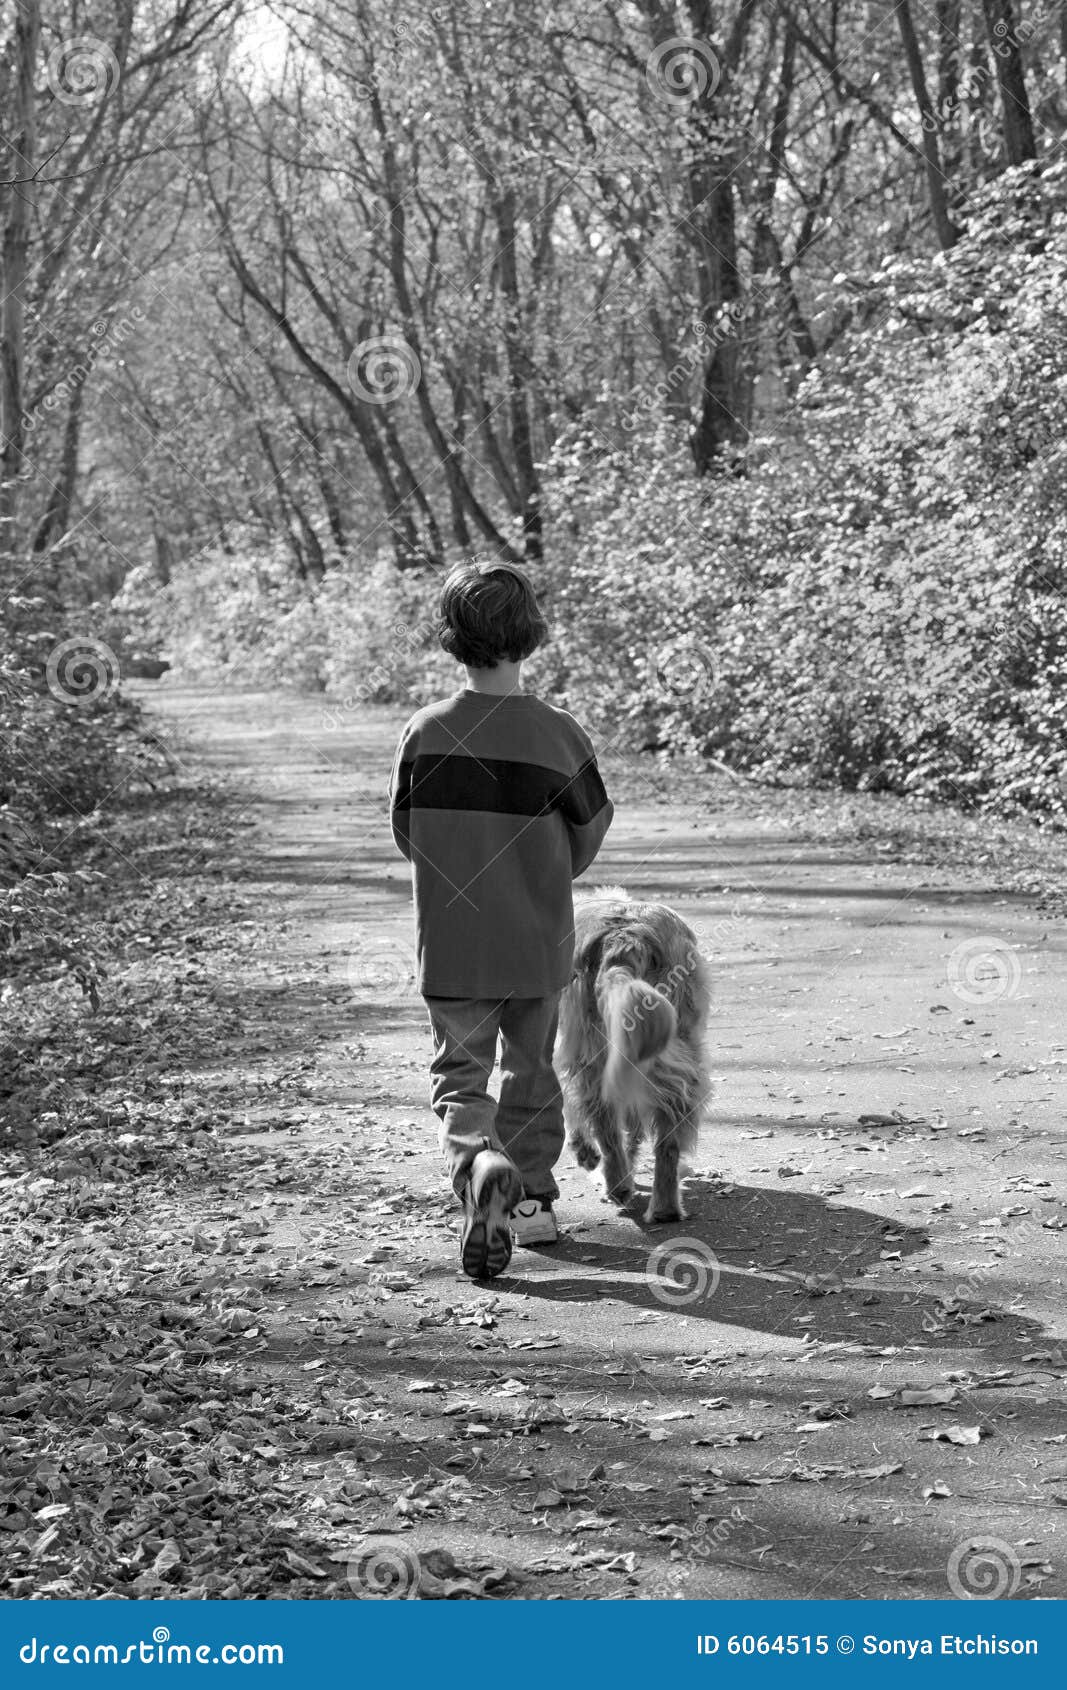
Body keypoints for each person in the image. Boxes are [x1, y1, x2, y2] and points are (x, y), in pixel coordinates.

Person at [389, 561, 613, 1279]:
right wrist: (543, 875)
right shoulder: (558, 734)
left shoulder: (426, 733)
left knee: (459, 1079)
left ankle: (478, 1163)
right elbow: (589, 830)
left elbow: (406, 831)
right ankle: (531, 1204)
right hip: (536, 942)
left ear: (450, 640)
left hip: (452, 949)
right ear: (533, 636)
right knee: (529, 1072)